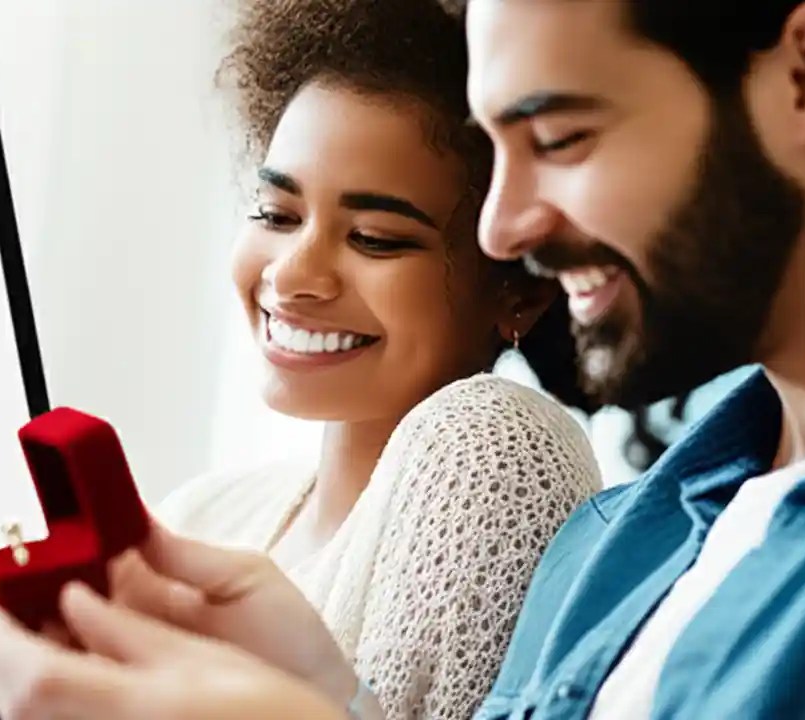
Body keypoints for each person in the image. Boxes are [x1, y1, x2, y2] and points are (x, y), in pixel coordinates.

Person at [0, 0, 805, 717]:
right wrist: (329, 693)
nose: (507, 229)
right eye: (275, 213)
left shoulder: (496, 447)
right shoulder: (649, 530)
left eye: (560, 140)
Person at [153, 0, 600, 716]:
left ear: (519, 290)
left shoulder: (495, 446)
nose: (292, 275)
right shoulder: (198, 514)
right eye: (276, 215)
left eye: (376, 238)